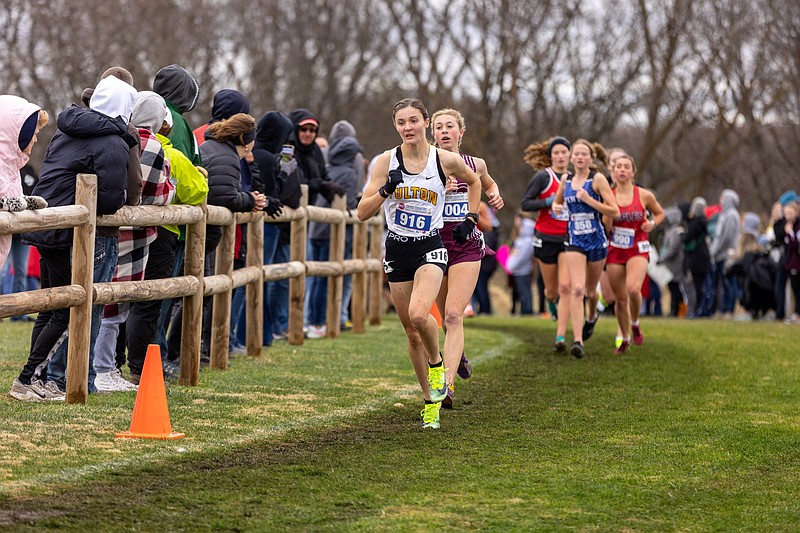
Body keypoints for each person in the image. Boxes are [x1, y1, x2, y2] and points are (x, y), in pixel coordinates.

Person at [12, 75, 138, 401]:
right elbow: (111, 199)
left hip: (45, 224)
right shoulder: (112, 140)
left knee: (49, 307)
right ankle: (28, 379)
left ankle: (33, 378)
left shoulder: (67, 128)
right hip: (67, 231)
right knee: (65, 310)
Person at [357, 98, 480, 430]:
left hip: (430, 247)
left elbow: (477, 181)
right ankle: (430, 401)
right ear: (395, 126)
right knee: (411, 334)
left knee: (418, 313)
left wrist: (472, 215)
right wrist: (386, 189)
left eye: (413, 120)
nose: (407, 127)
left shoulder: (444, 160)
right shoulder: (386, 161)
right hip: (396, 250)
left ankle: (438, 364)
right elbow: (362, 212)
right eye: (401, 122)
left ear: (426, 122)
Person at [93, 91, 175, 392]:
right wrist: (172, 188)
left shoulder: (117, 135)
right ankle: (103, 369)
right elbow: (155, 192)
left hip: (111, 227)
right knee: (115, 304)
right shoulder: (150, 144)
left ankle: (104, 367)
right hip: (134, 233)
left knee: (106, 299)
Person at [430, 107, 503, 408]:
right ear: (431, 133)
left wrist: (495, 195)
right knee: (446, 315)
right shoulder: (425, 165)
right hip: (434, 244)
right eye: (438, 127)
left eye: (450, 126)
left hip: (466, 245)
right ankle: (457, 356)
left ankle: (447, 386)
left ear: (461, 133)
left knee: (453, 314)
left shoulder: (476, 163)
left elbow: (488, 183)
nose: (444, 131)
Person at [552, 139, 619, 358]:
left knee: (590, 292)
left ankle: (592, 317)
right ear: (572, 158)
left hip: (596, 241)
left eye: (584, 154)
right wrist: (557, 207)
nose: (580, 158)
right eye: (577, 154)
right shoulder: (567, 179)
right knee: (577, 289)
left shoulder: (597, 179)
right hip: (574, 241)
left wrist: (590, 200)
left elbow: (614, 211)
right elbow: (557, 202)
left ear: (590, 158)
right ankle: (578, 341)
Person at [604, 154, 664, 353]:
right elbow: (606, 226)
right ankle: (625, 338)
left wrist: (652, 223)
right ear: (613, 172)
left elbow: (660, 213)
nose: (621, 170)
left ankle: (636, 323)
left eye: (626, 166)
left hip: (638, 247)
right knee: (620, 299)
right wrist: (607, 218)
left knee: (632, 290)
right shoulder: (608, 195)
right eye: (618, 166)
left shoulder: (644, 195)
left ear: (632, 172)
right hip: (615, 249)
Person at [306, 131, 363, 339]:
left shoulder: (328, 167)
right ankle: (319, 322)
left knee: (316, 277)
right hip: (331, 233)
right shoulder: (348, 173)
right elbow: (346, 203)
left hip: (316, 229)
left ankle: (313, 320)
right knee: (325, 277)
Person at [520, 136, 572, 351]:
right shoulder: (543, 177)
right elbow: (526, 203)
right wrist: (549, 202)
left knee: (566, 287)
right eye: (556, 153)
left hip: (569, 238)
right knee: (552, 291)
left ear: (570, 155)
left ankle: (560, 336)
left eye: (564, 152)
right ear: (550, 156)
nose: (560, 156)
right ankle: (551, 303)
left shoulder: (576, 178)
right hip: (546, 238)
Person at [252, 111, 296, 343]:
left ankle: (263, 334)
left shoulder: (255, 152)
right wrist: (284, 173)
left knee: (257, 278)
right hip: (264, 228)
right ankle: (259, 335)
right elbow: (272, 192)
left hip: (260, 225)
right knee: (258, 278)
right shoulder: (267, 158)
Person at [0, 96, 48, 272]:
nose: (35, 139)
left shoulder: (12, 168)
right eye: (34, 133)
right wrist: (10, 204)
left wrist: (25, 203)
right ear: (19, 134)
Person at [709, 189, 741, 317]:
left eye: (722, 198)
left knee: (729, 283)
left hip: (725, 254)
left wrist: (717, 250)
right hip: (719, 254)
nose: (720, 200)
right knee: (723, 283)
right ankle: (723, 309)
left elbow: (727, 237)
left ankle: (729, 309)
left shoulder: (732, 215)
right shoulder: (724, 214)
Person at [683, 196, 712, 317]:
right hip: (704, 256)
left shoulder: (694, 224)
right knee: (702, 285)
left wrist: (682, 234)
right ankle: (701, 308)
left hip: (696, 258)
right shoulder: (705, 223)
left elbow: (686, 238)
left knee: (695, 285)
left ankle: (695, 310)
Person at [657, 207, 686, 317]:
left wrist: (662, 258)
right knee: (672, 289)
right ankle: (674, 309)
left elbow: (673, 248)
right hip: (670, 266)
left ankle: (677, 310)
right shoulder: (669, 231)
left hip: (675, 266)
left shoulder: (674, 232)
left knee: (675, 289)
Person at [780, 201, 800, 323]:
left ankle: (797, 313)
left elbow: (794, 243)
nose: (787, 216)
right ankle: (795, 312)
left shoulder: (796, 227)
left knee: (797, 290)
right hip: (790, 262)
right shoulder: (786, 225)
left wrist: (790, 233)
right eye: (786, 213)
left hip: (796, 263)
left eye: (790, 213)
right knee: (794, 289)